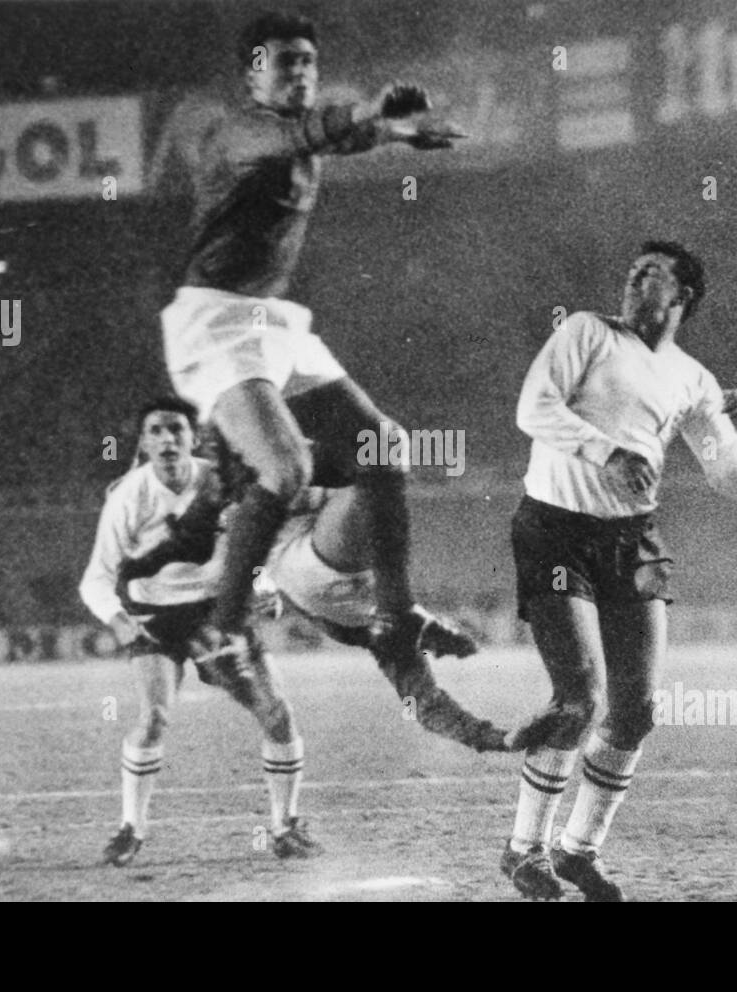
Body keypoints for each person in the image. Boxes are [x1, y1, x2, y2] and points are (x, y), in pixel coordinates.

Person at [151, 10, 458, 685]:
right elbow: (305, 134)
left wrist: (389, 130)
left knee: (384, 444)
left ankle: (397, 614)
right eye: (284, 62)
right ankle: (222, 637)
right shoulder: (239, 130)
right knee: (285, 471)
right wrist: (375, 113)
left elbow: (326, 138)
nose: (300, 74)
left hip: (274, 324)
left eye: (307, 63)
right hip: (215, 323)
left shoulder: (294, 132)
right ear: (252, 72)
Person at [501, 241, 737, 901]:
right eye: (631, 270)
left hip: (632, 540)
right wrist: (606, 452)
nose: (634, 278)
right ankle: (523, 851)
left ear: (682, 297)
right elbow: (532, 408)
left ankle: (577, 851)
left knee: (637, 710)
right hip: (555, 529)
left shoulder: (693, 380)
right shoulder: (586, 331)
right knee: (579, 695)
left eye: (651, 273)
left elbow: (729, 478)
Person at [124, 426, 511, 753]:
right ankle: (408, 616)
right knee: (375, 465)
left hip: (326, 586)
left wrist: (498, 739)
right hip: (312, 572)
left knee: (373, 467)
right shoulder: (226, 488)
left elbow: (425, 706)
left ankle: (414, 627)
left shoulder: (233, 479)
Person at [80, 398, 317, 866]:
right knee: (154, 719)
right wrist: (122, 624)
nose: (168, 439)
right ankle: (131, 829)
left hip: (217, 612)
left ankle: (285, 827)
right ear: (144, 443)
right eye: (156, 431)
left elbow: (251, 546)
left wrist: (264, 584)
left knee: (276, 714)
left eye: (176, 429)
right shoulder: (128, 497)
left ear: (193, 438)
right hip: (157, 616)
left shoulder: (220, 482)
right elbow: (95, 580)